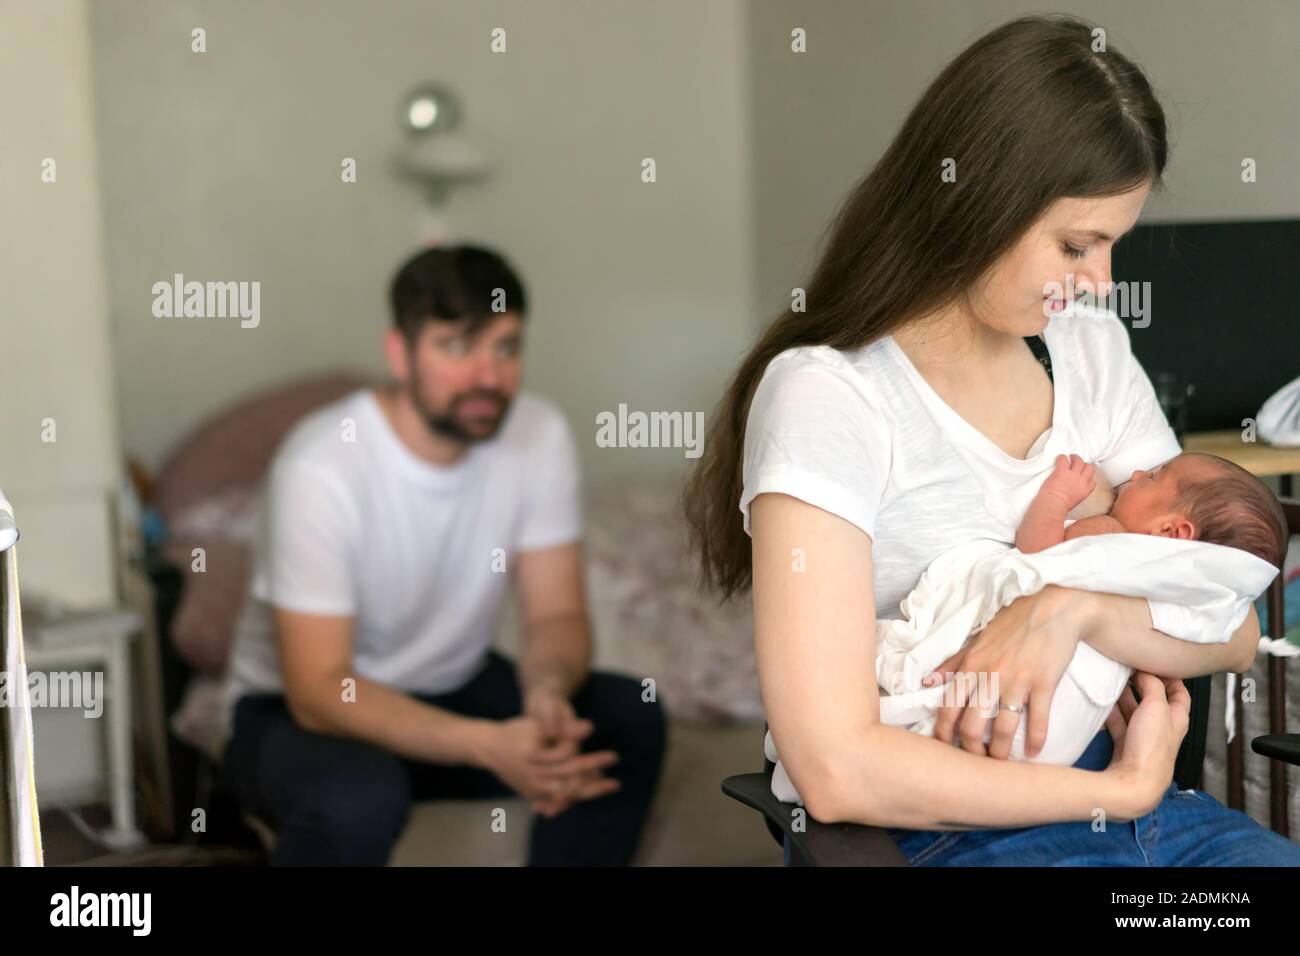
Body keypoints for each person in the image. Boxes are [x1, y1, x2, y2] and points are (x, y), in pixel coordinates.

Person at [684, 14, 1300, 865]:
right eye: (1078, 245)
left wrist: (1067, 609)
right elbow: (832, 768)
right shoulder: (828, 397)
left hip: (1148, 816)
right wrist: (1116, 790)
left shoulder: (1092, 350)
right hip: (952, 826)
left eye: (1112, 247)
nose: (1101, 282)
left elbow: (1229, 627)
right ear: (976, 202)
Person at [221, 244, 666, 865]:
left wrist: (547, 693)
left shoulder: (538, 436)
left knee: (626, 717)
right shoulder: (321, 466)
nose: (488, 376)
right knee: (358, 799)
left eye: (505, 347)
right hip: (300, 714)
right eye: (458, 347)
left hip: (451, 685)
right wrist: (485, 746)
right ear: (400, 354)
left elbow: (556, 616)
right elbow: (320, 689)